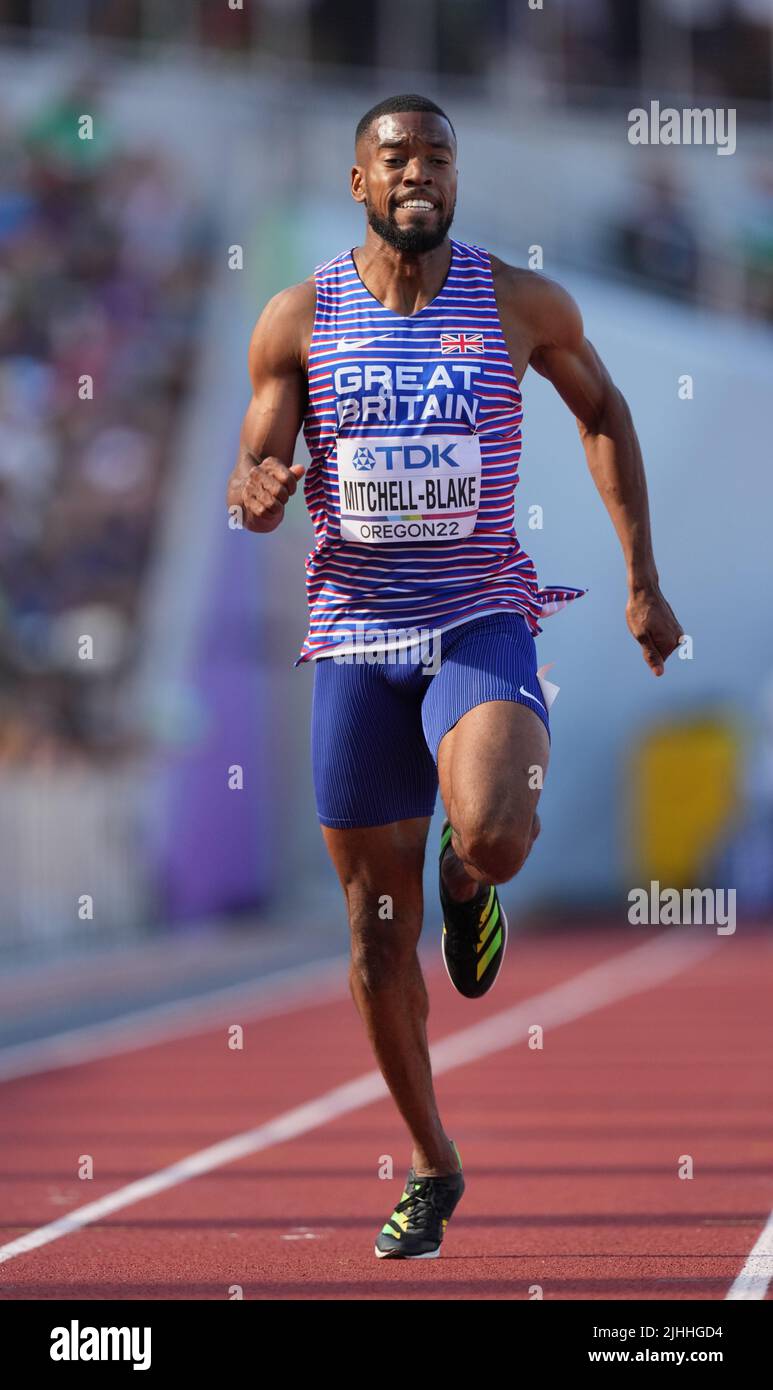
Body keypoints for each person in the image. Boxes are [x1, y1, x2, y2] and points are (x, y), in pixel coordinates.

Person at [227, 94, 683, 1260]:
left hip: (477, 613)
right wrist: (256, 491)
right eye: (396, 158)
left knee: (492, 834)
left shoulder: (518, 302)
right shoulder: (298, 318)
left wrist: (639, 578)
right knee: (376, 943)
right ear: (359, 182)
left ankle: (466, 882)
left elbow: (602, 409)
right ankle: (432, 1160)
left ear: (455, 176)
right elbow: (255, 464)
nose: (418, 172)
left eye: (437, 155)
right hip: (353, 639)